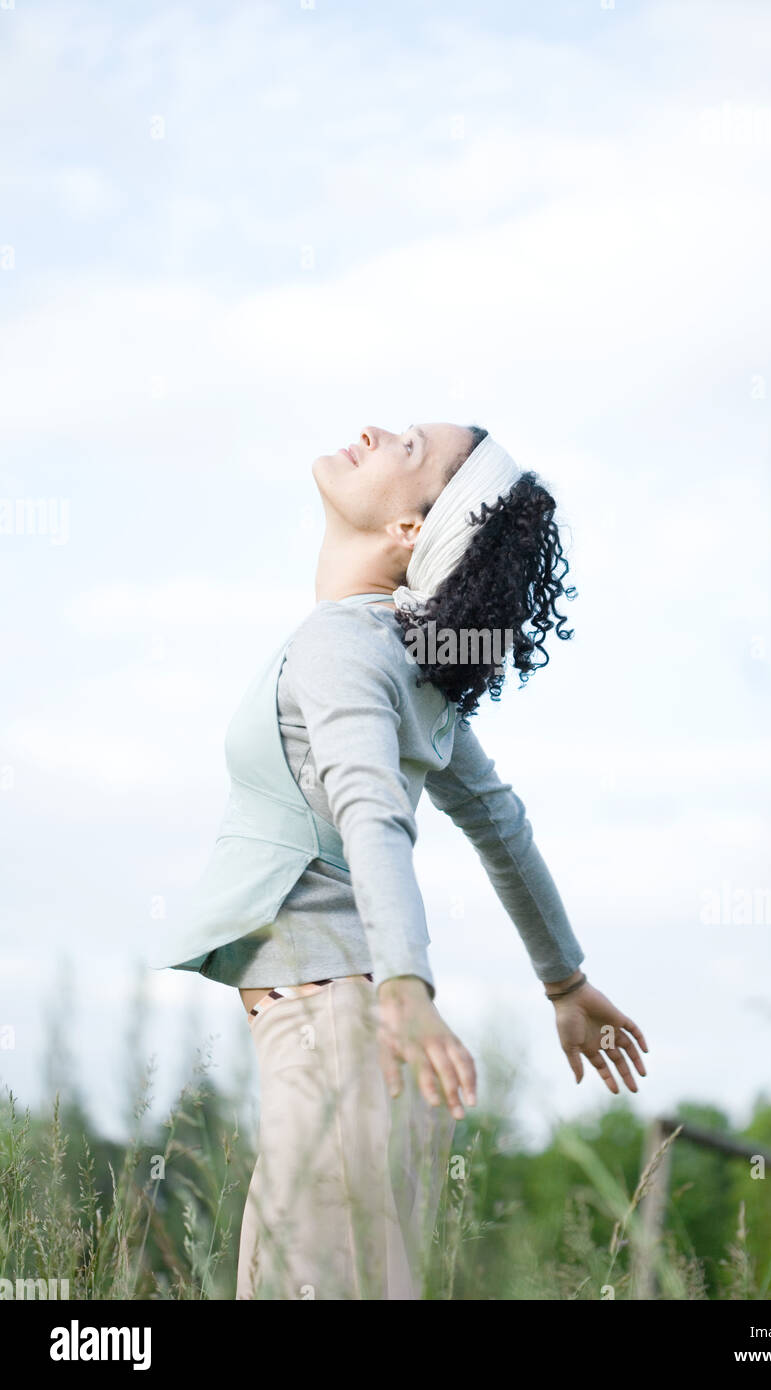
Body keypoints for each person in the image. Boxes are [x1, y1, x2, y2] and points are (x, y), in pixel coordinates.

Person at [147, 422, 649, 1300]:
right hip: (352, 1035)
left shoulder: (345, 644)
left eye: (408, 448)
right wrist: (563, 982)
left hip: (347, 1030)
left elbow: (376, 814)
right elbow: (501, 826)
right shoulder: (397, 653)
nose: (379, 431)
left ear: (411, 530)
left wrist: (403, 990)